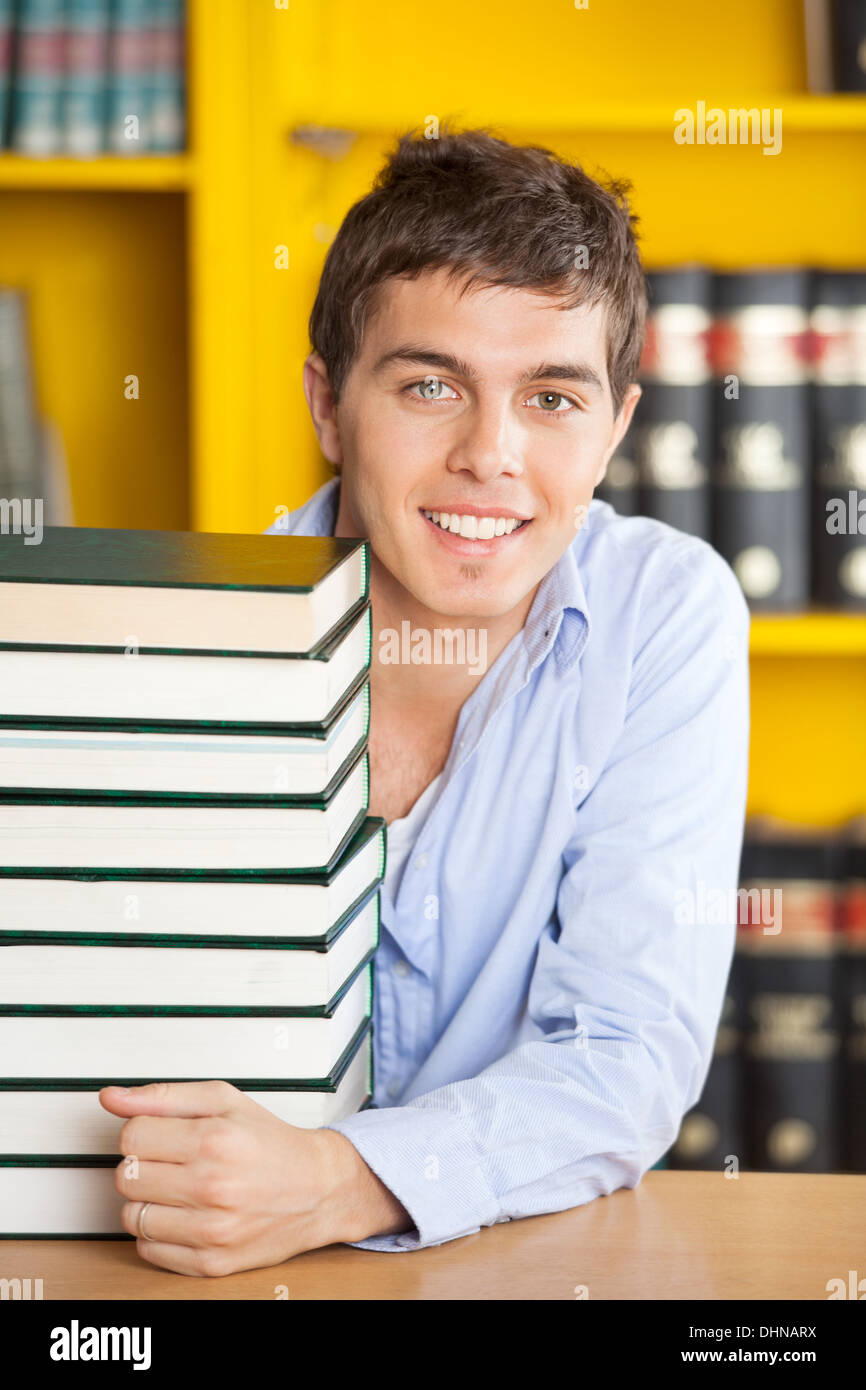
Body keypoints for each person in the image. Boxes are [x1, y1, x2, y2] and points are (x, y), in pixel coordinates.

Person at [101, 127, 750, 1277]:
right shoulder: (176, 647)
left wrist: (335, 1178)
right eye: (430, 385)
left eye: (550, 397)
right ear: (327, 405)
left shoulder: (664, 614)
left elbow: (623, 1055)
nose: (488, 456)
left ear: (613, 429)